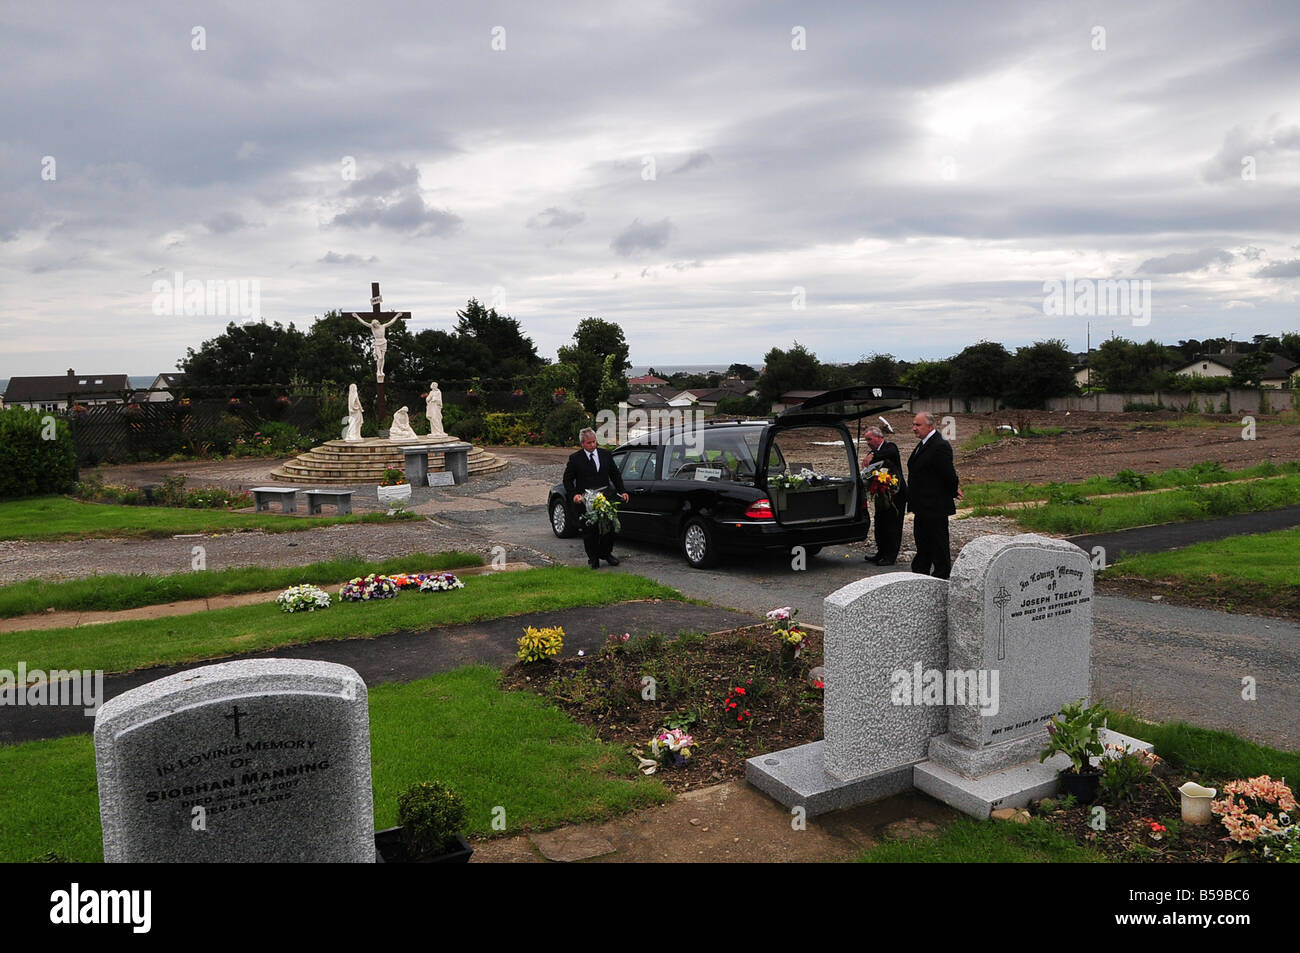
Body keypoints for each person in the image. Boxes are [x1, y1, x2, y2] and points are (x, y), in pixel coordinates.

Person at [563, 428, 630, 569]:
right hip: (586, 500)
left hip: (605, 497)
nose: (592, 445)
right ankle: (593, 558)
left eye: (594, 442)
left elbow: (615, 474)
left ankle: (606, 553)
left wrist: (622, 491)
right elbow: (567, 480)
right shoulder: (575, 459)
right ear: (582, 444)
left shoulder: (606, 455)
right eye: (589, 443)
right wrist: (574, 494)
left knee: (609, 528)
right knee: (590, 531)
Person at [907, 412, 962, 579]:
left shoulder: (939, 445)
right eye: (913, 424)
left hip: (935, 505)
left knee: (938, 543)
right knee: (923, 542)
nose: (914, 428)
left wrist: (953, 490)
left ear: (930, 426)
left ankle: (941, 575)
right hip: (922, 505)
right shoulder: (924, 444)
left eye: (918, 425)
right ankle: (921, 573)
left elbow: (949, 474)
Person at [861, 425, 907, 565]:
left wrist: (872, 455)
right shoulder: (873, 452)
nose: (868, 442)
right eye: (866, 440)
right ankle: (880, 552)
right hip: (881, 493)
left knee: (893, 525)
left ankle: (890, 556)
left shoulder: (890, 447)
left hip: (895, 493)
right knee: (880, 523)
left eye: (869, 439)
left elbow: (887, 453)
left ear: (879, 437)